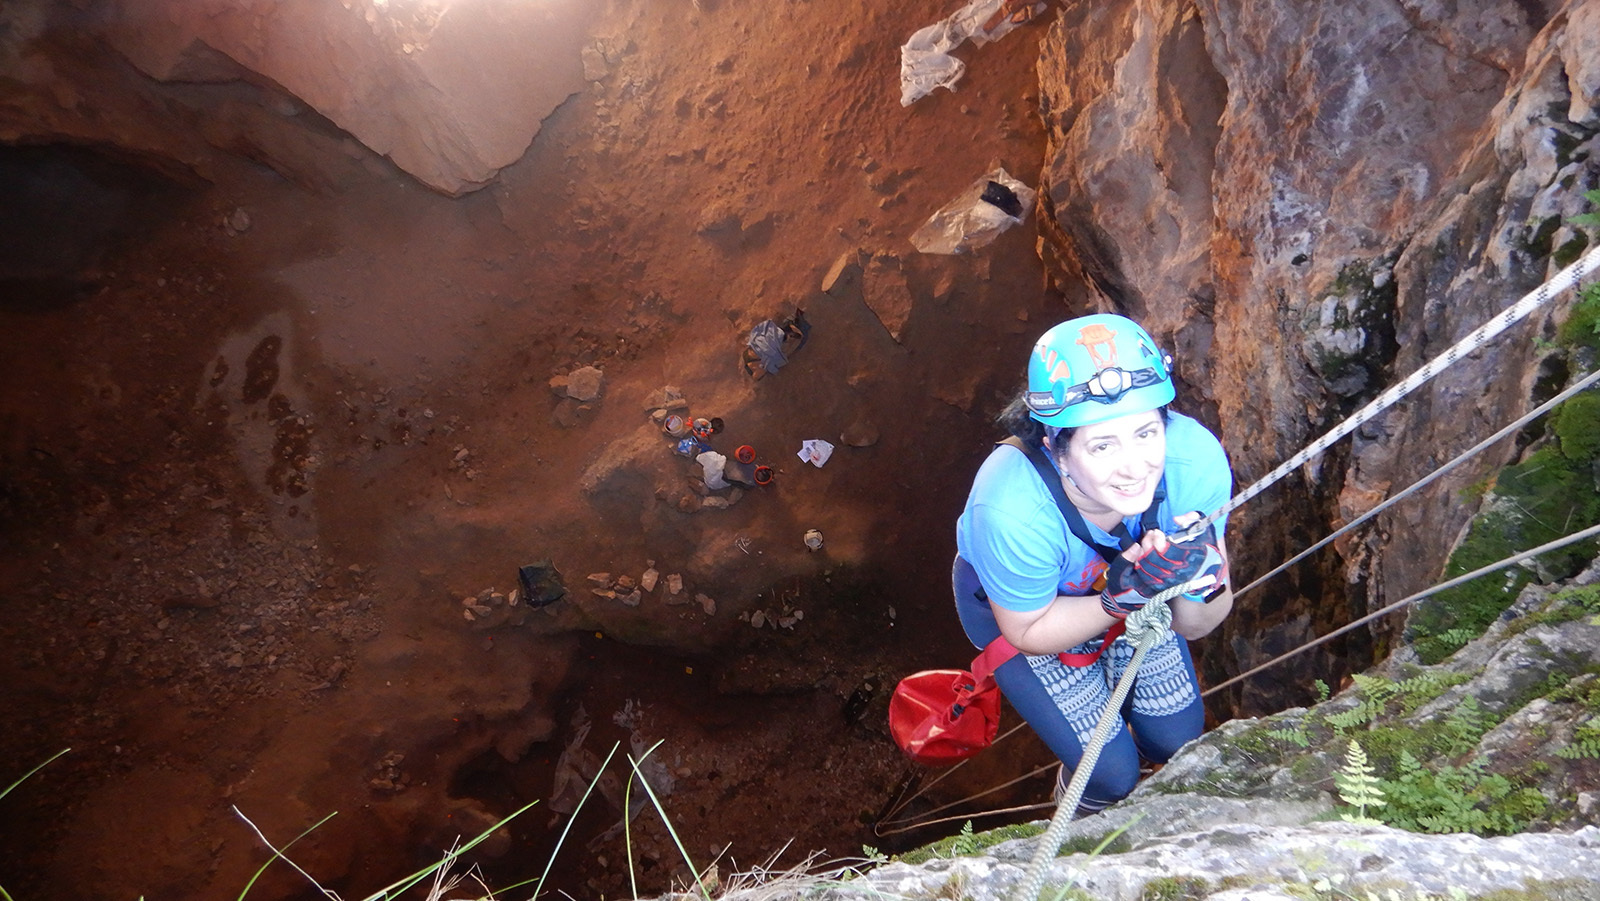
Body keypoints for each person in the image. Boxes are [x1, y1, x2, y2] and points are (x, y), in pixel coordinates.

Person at [953, 313, 1233, 815]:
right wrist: (1117, 600)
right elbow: (1026, 630)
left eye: (1146, 433)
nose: (1134, 466)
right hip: (1026, 610)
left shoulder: (1194, 464)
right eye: (1102, 445)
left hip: (1133, 592)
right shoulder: (1010, 510)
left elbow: (1197, 625)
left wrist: (1196, 580)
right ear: (1056, 450)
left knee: (1178, 740)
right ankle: (1078, 822)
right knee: (1108, 774)